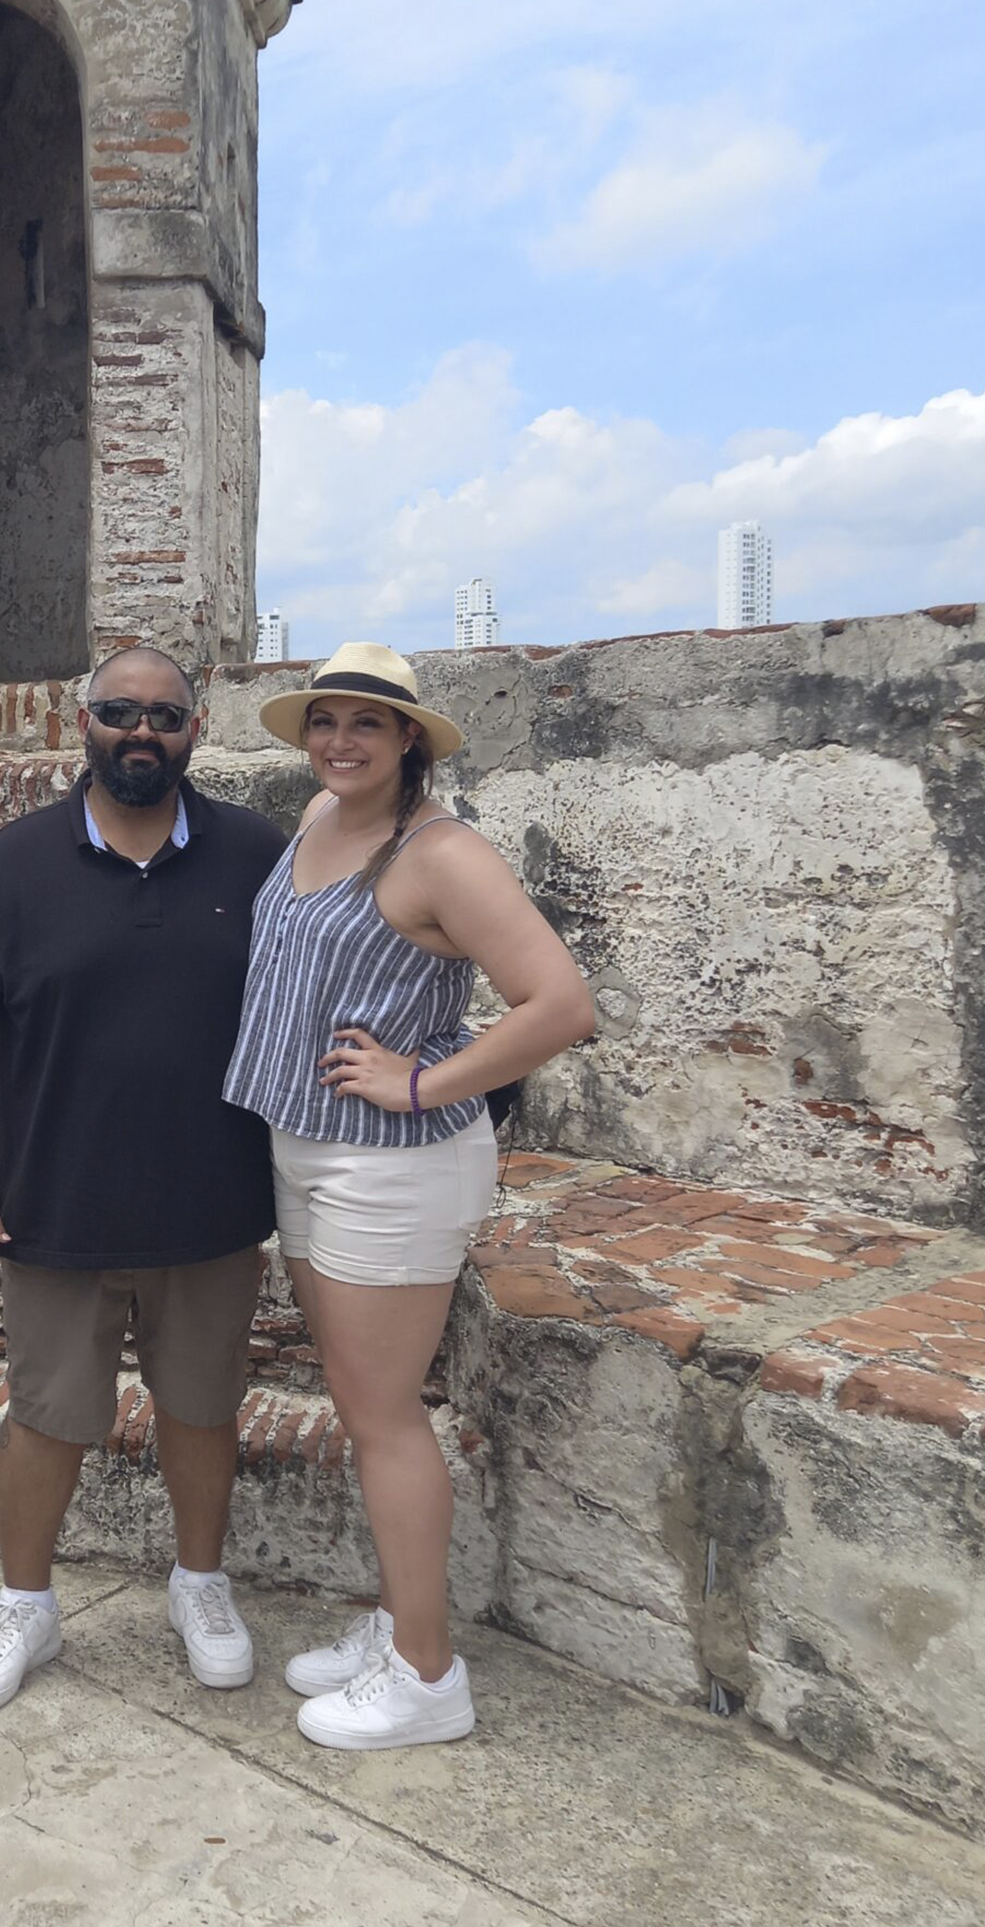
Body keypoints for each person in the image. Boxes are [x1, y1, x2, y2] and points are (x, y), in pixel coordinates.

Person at [223, 642, 594, 1750]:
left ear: (406, 743)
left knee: (384, 1415)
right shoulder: (318, 821)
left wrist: (421, 1077)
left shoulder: (439, 853)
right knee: (360, 1400)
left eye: (366, 725)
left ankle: (427, 1676)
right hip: (307, 1144)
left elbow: (559, 1003)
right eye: (324, 720)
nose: (339, 740)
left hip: (388, 1161)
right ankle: (400, 1622)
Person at [0, 645, 287, 1714]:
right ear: (79, 720)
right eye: (120, 711)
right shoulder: (15, 864)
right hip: (55, 1201)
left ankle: (199, 1583)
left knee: (201, 1406)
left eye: (164, 716)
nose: (142, 731)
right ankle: (24, 1602)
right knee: (44, 1414)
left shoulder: (255, 855)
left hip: (211, 1201)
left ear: (196, 727)